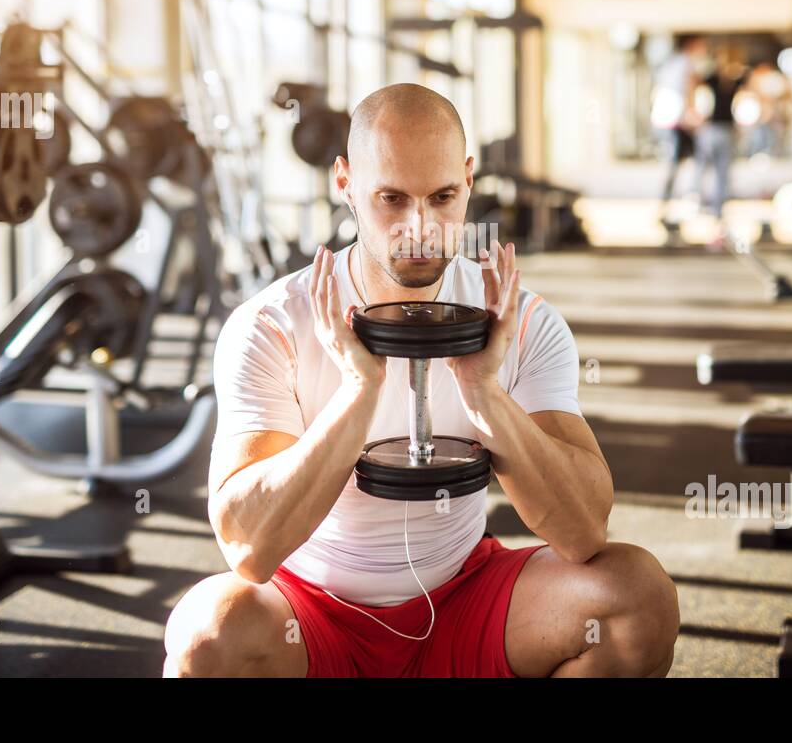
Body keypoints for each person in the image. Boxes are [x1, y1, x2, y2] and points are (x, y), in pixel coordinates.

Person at [164, 83, 679, 678]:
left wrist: (485, 394)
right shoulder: (272, 324)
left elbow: (585, 530)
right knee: (210, 636)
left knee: (636, 598)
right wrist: (359, 393)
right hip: (309, 619)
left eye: (442, 197)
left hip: (465, 600)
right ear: (344, 183)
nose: (420, 227)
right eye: (391, 198)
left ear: (468, 179)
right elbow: (247, 549)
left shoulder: (523, 320)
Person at [651, 34, 709, 233]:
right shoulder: (686, 64)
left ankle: (668, 204)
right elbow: (687, 89)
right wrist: (691, 114)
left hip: (667, 120)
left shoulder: (671, 63)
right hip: (679, 122)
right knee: (695, 161)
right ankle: (690, 200)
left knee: (676, 164)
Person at [693, 45, 746, 245]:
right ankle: (703, 204)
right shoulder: (716, 79)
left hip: (722, 129)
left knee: (716, 171)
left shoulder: (731, 80)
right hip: (715, 129)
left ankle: (712, 207)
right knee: (709, 169)